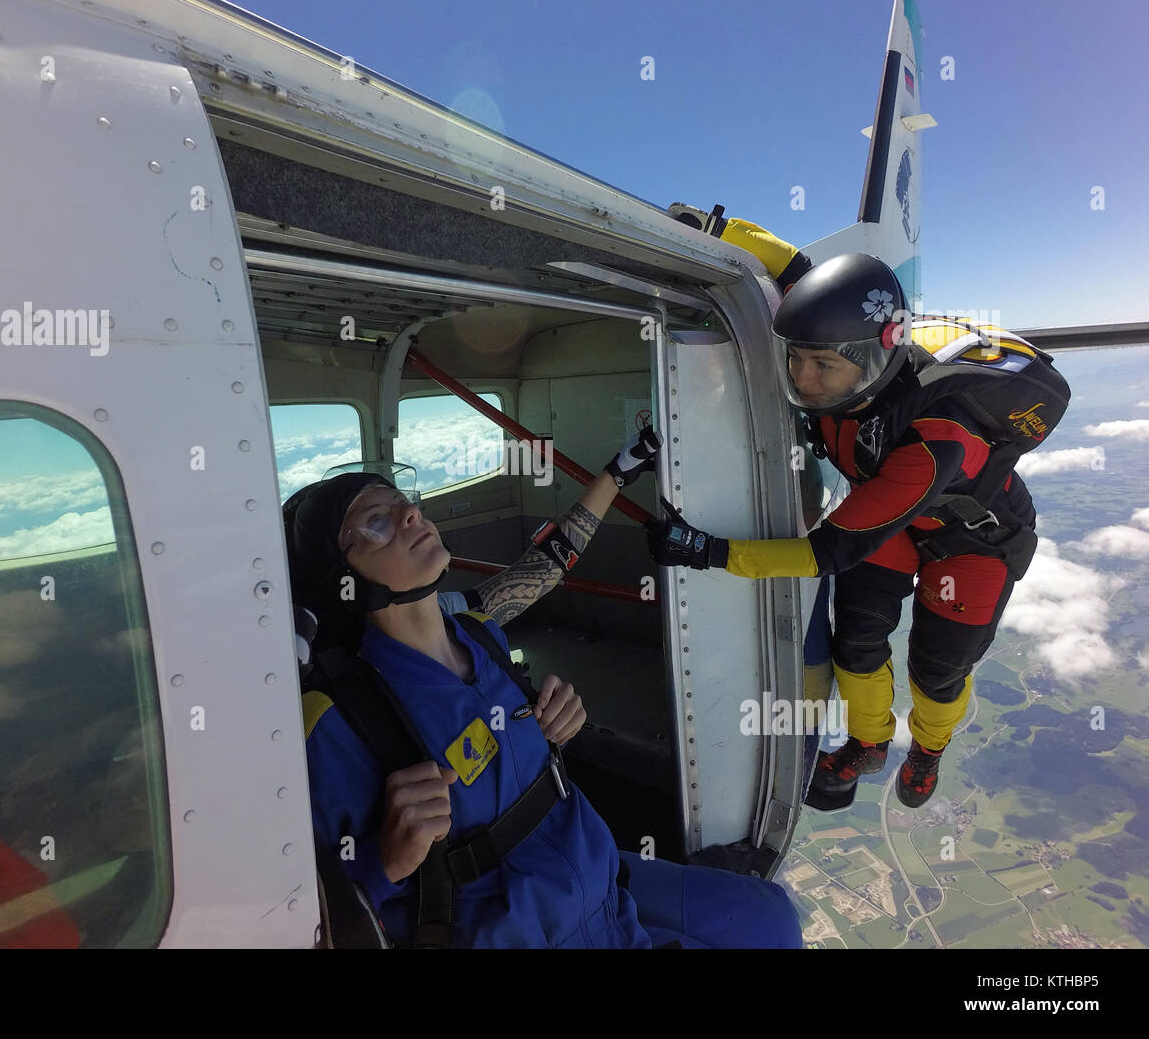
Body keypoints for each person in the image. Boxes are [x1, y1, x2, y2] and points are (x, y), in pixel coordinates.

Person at [284, 463, 801, 948]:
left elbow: (546, 565)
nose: (410, 515)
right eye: (376, 522)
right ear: (342, 577)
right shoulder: (337, 721)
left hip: (598, 873)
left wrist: (556, 729)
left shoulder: (480, 635)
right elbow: (312, 917)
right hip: (524, 927)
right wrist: (384, 861)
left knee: (774, 918)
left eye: (404, 502)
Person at [643, 249, 1066, 809]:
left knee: (939, 670)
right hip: (896, 514)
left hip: (972, 539)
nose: (804, 380)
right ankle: (869, 743)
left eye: (823, 366)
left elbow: (827, 552)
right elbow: (793, 263)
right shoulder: (851, 358)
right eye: (796, 359)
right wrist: (713, 229)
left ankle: (928, 750)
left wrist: (706, 551)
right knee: (857, 640)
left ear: (871, 361)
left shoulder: (936, 440)